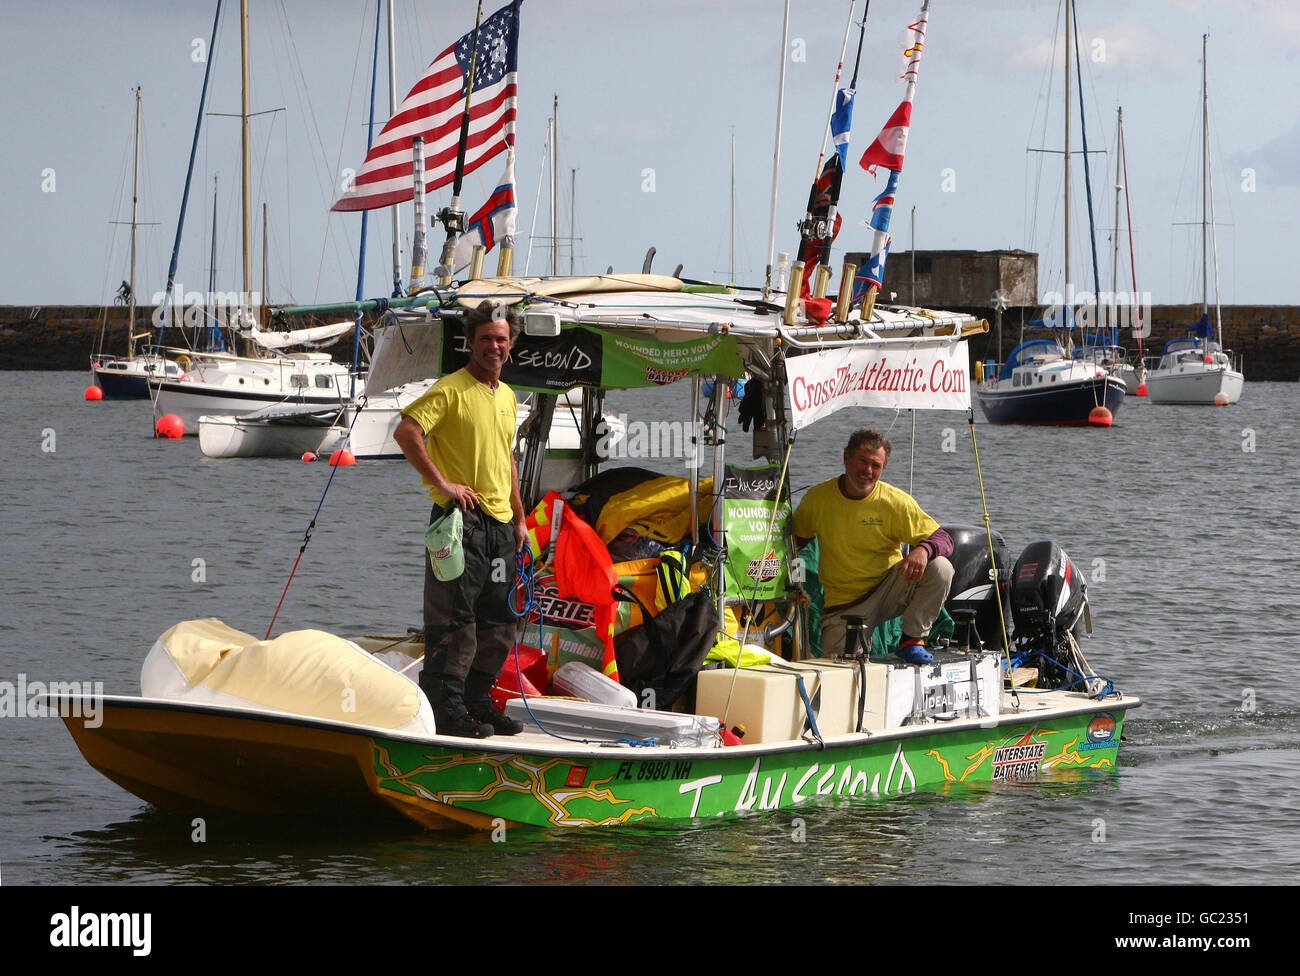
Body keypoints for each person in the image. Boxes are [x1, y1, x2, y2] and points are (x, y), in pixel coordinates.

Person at [393, 300, 529, 737]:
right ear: (471, 341)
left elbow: (507, 458)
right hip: (460, 522)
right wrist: (445, 483)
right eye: (486, 338)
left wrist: (521, 520)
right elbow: (407, 431)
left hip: (501, 526)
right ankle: (444, 707)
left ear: (510, 345)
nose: (494, 345)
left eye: (502, 339)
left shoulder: (506, 395)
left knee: (499, 623)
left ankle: (475, 700)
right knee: (455, 619)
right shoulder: (451, 388)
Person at [793, 427, 954, 663]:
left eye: (876, 466)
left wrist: (922, 550)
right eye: (862, 461)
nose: (868, 471)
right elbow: (794, 541)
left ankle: (912, 639)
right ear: (846, 459)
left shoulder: (894, 501)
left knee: (941, 567)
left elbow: (944, 539)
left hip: (890, 589)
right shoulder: (817, 499)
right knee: (840, 669)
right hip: (844, 604)